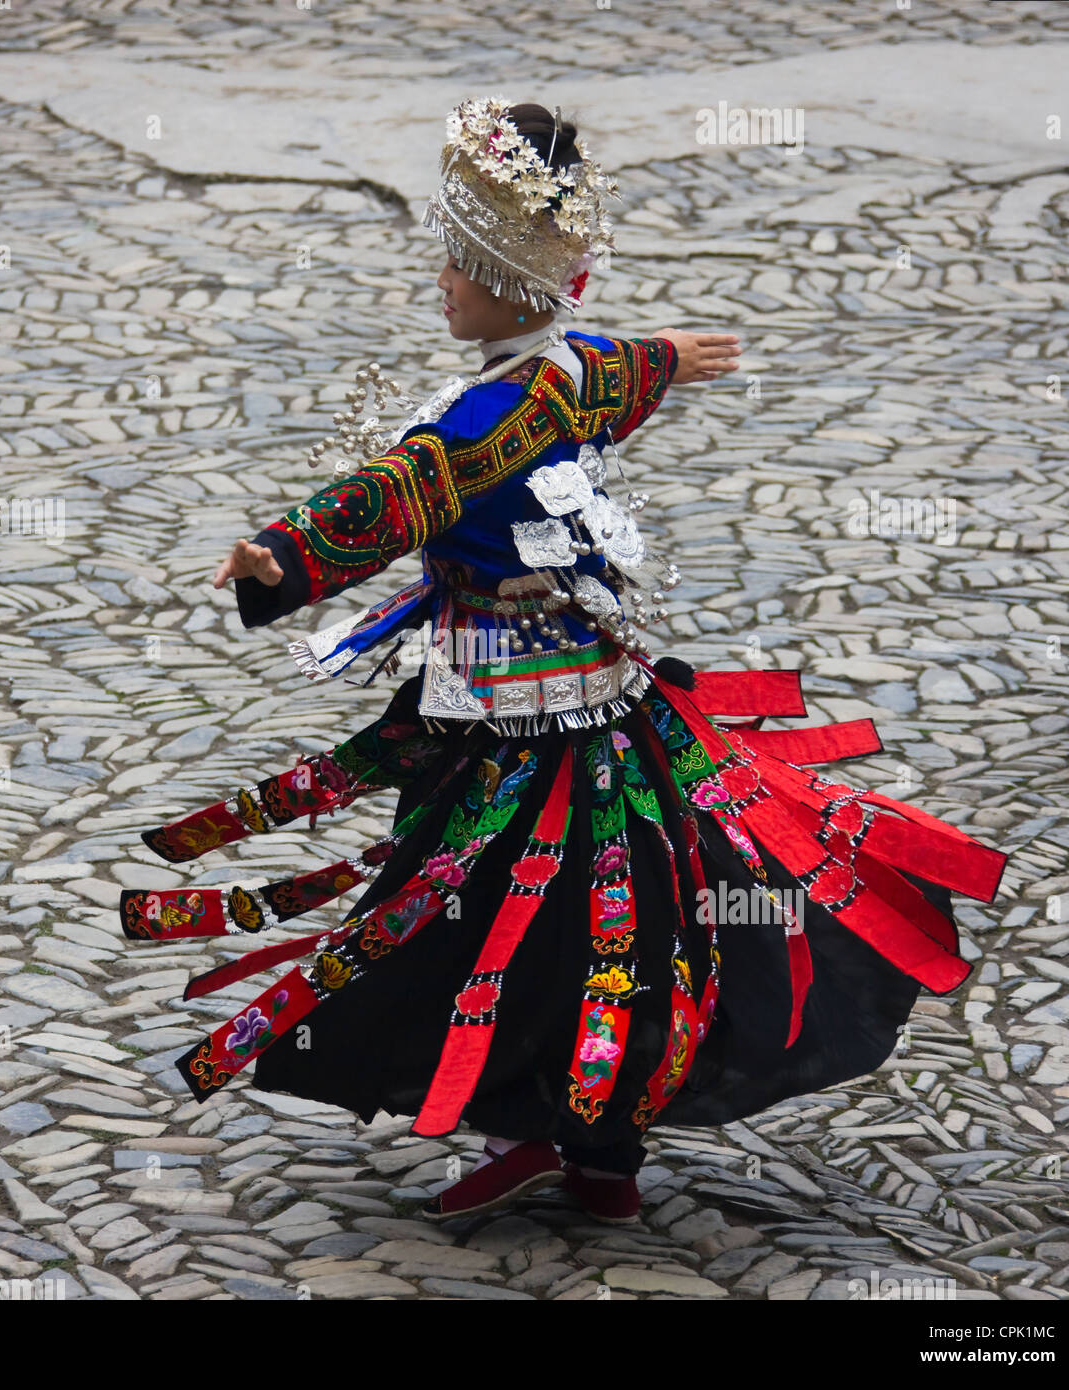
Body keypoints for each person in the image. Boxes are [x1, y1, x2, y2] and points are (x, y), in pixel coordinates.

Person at [121, 97, 1007, 1225]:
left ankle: (549, 1125)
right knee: (621, 910)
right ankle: (595, 1155)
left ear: (504, 281)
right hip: (603, 693)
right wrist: (669, 358)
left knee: (493, 906)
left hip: (504, 723)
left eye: (456, 264)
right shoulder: (565, 374)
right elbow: (616, 373)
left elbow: (387, 504)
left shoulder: (481, 421)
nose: (438, 283)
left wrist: (275, 565)